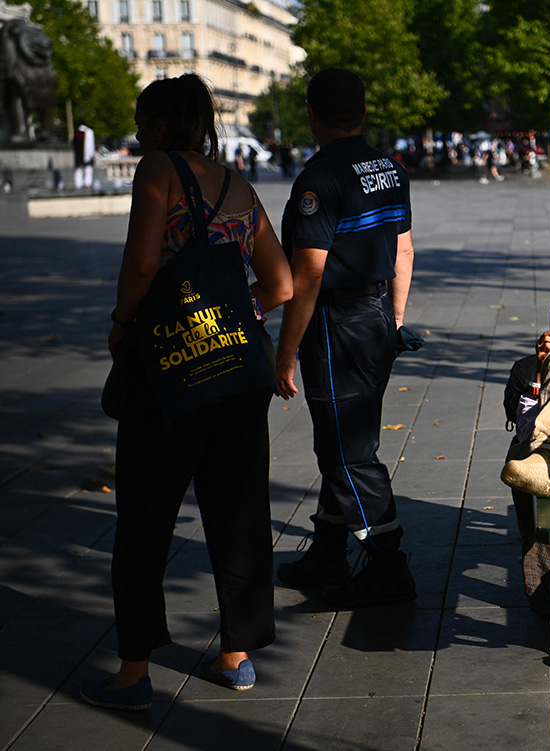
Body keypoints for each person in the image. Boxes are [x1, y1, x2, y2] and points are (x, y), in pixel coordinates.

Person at [80, 74, 293, 711]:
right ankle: (237, 655)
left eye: (144, 122)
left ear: (162, 125)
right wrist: (233, 314)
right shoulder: (240, 186)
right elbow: (280, 284)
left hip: (169, 375)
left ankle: (135, 669)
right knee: (240, 512)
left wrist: (123, 324)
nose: (140, 133)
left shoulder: (157, 172)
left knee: (145, 516)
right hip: (237, 376)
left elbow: (143, 262)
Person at [274, 68, 417, 610]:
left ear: (312, 113)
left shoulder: (319, 179)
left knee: (349, 452)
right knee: (340, 442)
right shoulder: (388, 167)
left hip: (337, 327)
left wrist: (285, 349)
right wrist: (394, 323)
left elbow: (307, 275)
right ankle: (330, 552)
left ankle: (389, 567)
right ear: (362, 112)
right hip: (377, 316)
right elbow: (404, 252)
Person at [73, 121, 95, 190]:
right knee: (87, 169)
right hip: (85, 154)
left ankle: (78, 184)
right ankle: (87, 184)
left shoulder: (78, 133)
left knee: (79, 170)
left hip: (79, 154)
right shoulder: (89, 132)